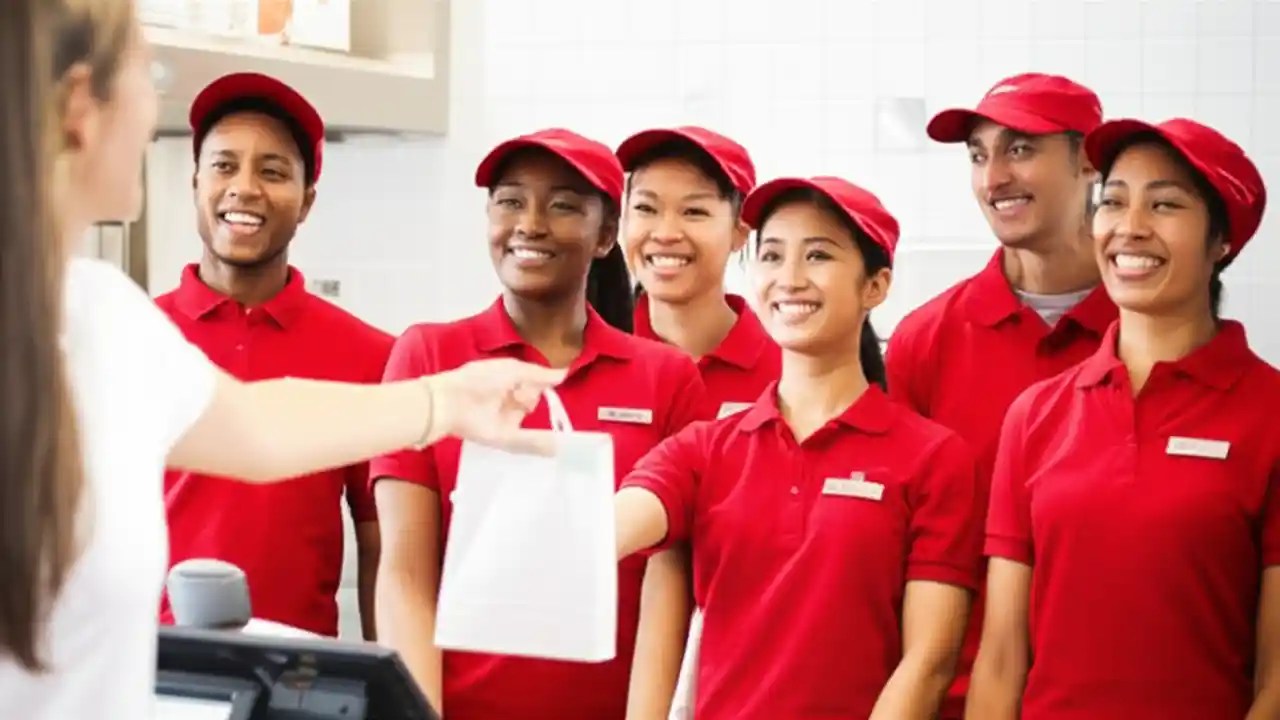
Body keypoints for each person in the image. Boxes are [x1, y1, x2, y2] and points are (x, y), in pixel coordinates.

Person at [0, 3, 564, 718]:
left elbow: (258, 428)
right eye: (152, 71)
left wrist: (447, 400)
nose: (155, 108)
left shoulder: (106, 318)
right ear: (83, 108)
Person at [612, 176, 984, 718]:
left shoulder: (932, 458)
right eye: (771, 255)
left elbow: (928, 661)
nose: (789, 279)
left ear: (875, 287)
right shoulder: (705, 448)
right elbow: (615, 525)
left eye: (818, 255)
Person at [370, 128, 710, 719]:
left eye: (562, 205)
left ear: (607, 234)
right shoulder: (428, 356)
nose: (530, 223)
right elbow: (406, 573)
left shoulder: (667, 378)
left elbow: (670, 583)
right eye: (509, 200)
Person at [968, 118, 1279, 720]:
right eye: (1112, 202)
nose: (1129, 228)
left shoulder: (1269, 414)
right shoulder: (1036, 415)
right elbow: (1003, 657)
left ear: (1221, 241)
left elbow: (1277, 677)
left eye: (1165, 204)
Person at [885, 72, 1117, 719]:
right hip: (955, 700)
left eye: (1020, 149)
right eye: (979, 155)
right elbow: (896, 549)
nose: (993, 179)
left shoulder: (1147, 333)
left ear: (1089, 159)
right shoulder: (924, 342)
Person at [155, 73, 391, 639]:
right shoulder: (134, 336)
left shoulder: (370, 356)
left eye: (273, 171)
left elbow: (384, 550)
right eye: (224, 165)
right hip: (144, 677)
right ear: (195, 184)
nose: (244, 187)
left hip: (302, 681)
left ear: (307, 201)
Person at [613, 125, 779, 717]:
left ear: (740, 232)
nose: (665, 233)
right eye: (646, 208)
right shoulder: (584, 366)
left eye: (695, 211)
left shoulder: (790, 377)